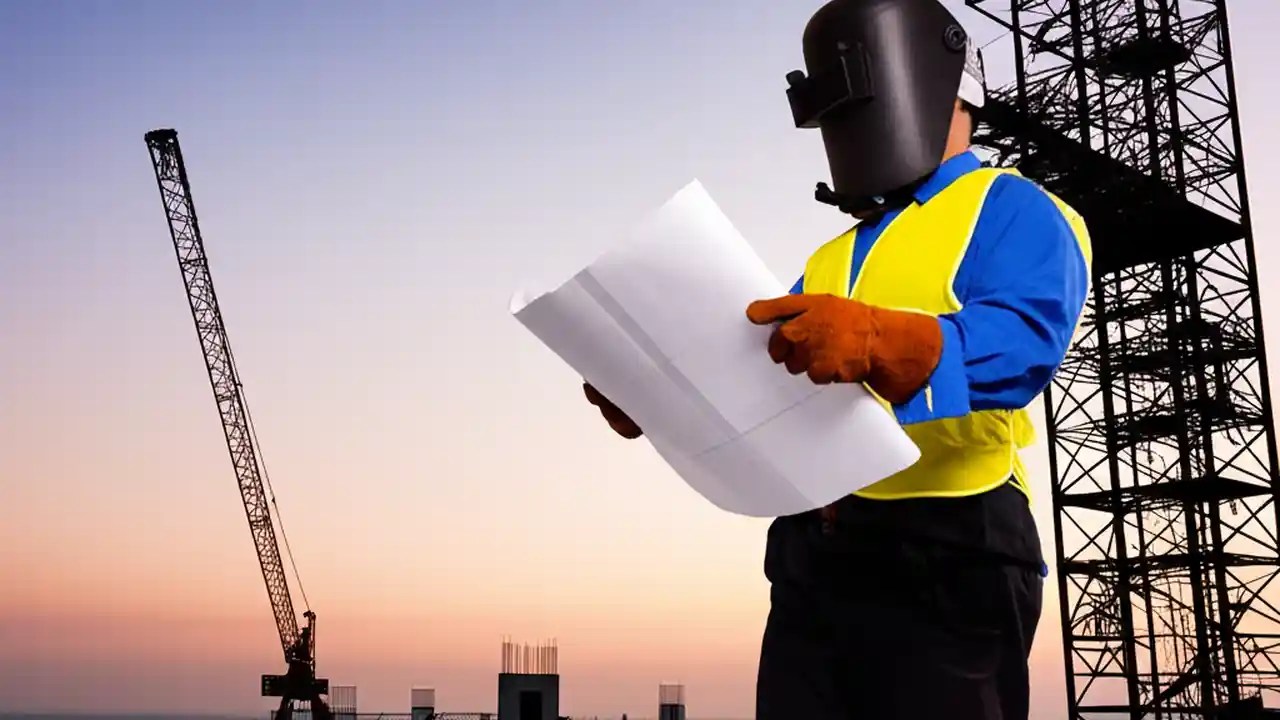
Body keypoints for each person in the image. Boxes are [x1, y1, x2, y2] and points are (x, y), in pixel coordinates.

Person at [583, 0, 1092, 717]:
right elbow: (763, 378)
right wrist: (657, 392)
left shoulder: (1010, 207)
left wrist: (883, 342)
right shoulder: (830, 256)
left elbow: (1024, 344)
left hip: (949, 548)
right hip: (816, 553)